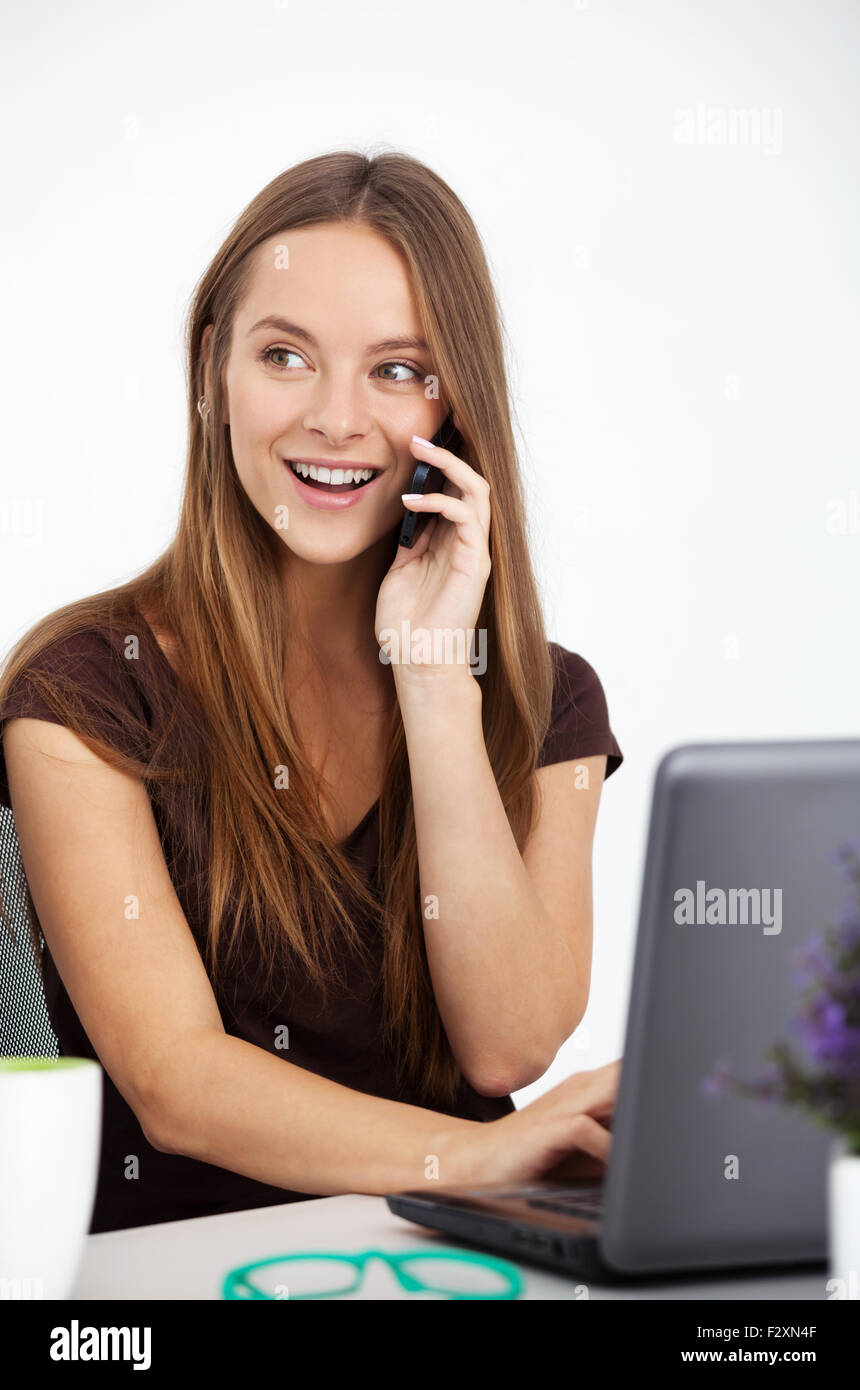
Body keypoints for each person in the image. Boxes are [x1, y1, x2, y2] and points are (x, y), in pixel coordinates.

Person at [0, 150, 623, 1234]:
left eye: (395, 369)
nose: (337, 420)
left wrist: (433, 675)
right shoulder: (84, 690)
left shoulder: (544, 699)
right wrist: (479, 1153)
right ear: (211, 374)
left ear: (454, 401)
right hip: (176, 1272)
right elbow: (175, 1080)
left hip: (457, 1257)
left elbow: (508, 1043)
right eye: (285, 355)